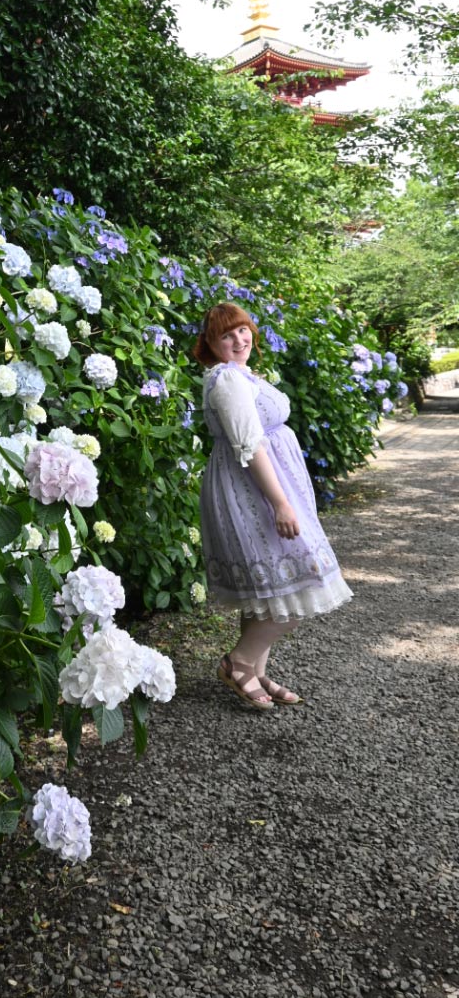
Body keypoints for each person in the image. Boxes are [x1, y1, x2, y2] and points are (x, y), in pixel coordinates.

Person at [193, 303, 352, 710]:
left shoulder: (242, 375)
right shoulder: (227, 379)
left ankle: (256, 671)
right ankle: (239, 664)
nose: (238, 340)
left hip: (266, 488)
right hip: (254, 493)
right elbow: (249, 444)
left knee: (266, 591)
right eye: (227, 335)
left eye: (243, 330)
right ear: (210, 343)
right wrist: (280, 502)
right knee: (300, 579)